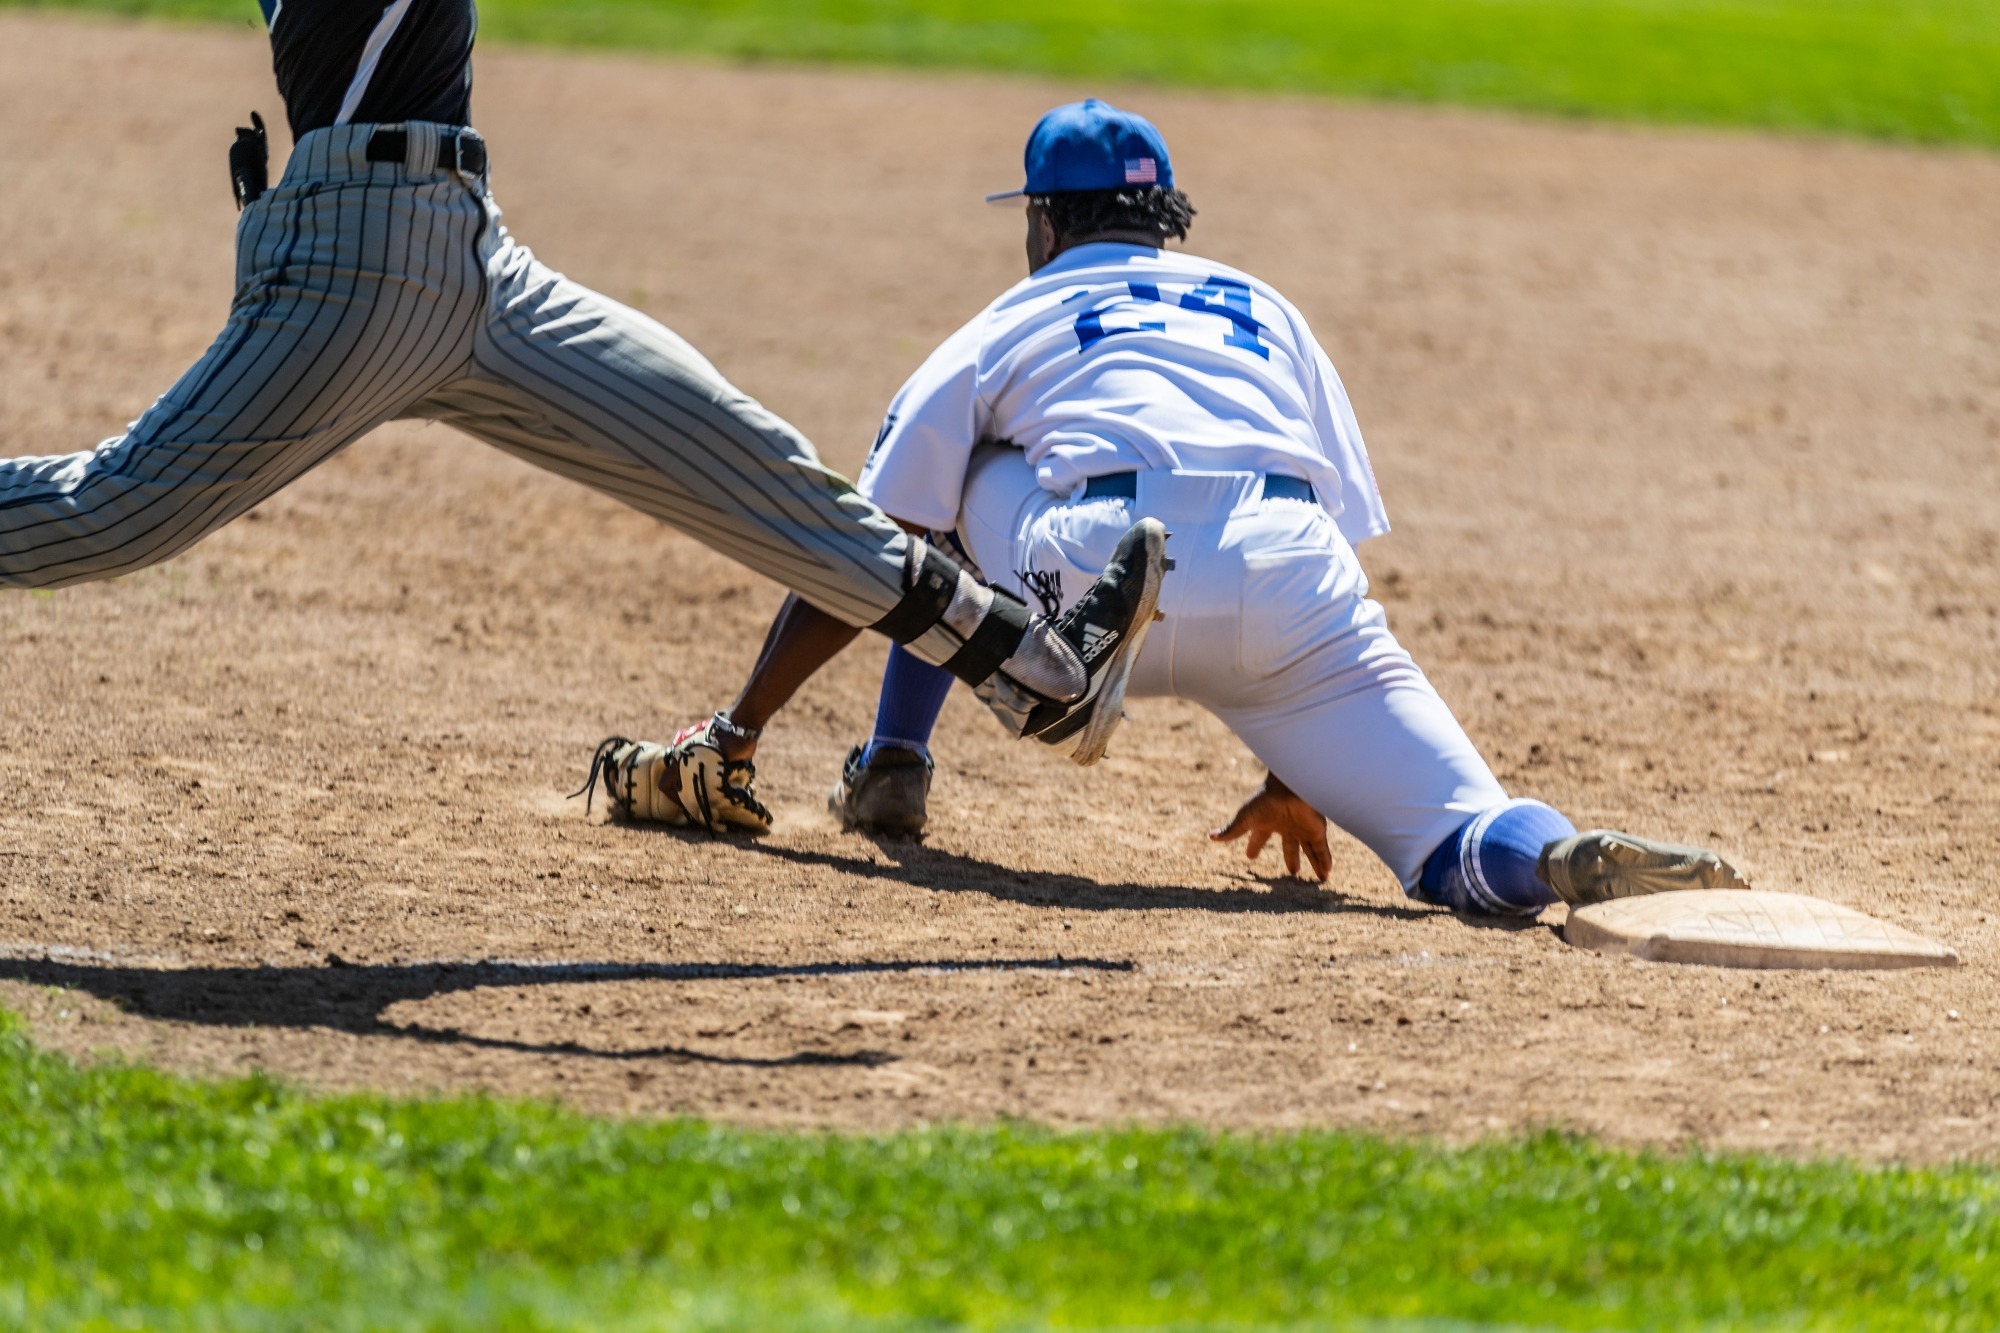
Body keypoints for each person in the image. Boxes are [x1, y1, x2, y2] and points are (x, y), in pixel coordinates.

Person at [606, 98, 1746, 915]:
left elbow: (870, 539)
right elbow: (1338, 517)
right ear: (1163, 216)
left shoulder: (1012, 315)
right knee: (1455, 835)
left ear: (1044, 223)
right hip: (1293, 585)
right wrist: (1303, 763)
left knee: (944, 479)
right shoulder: (1266, 309)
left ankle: (935, 736)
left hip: (1088, 573)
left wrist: (739, 729)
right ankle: (1549, 857)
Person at [0, 3, 1168, 787]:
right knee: (113, 512)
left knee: (753, 463)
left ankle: (1037, 676)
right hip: (356, 267)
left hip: (475, 258)